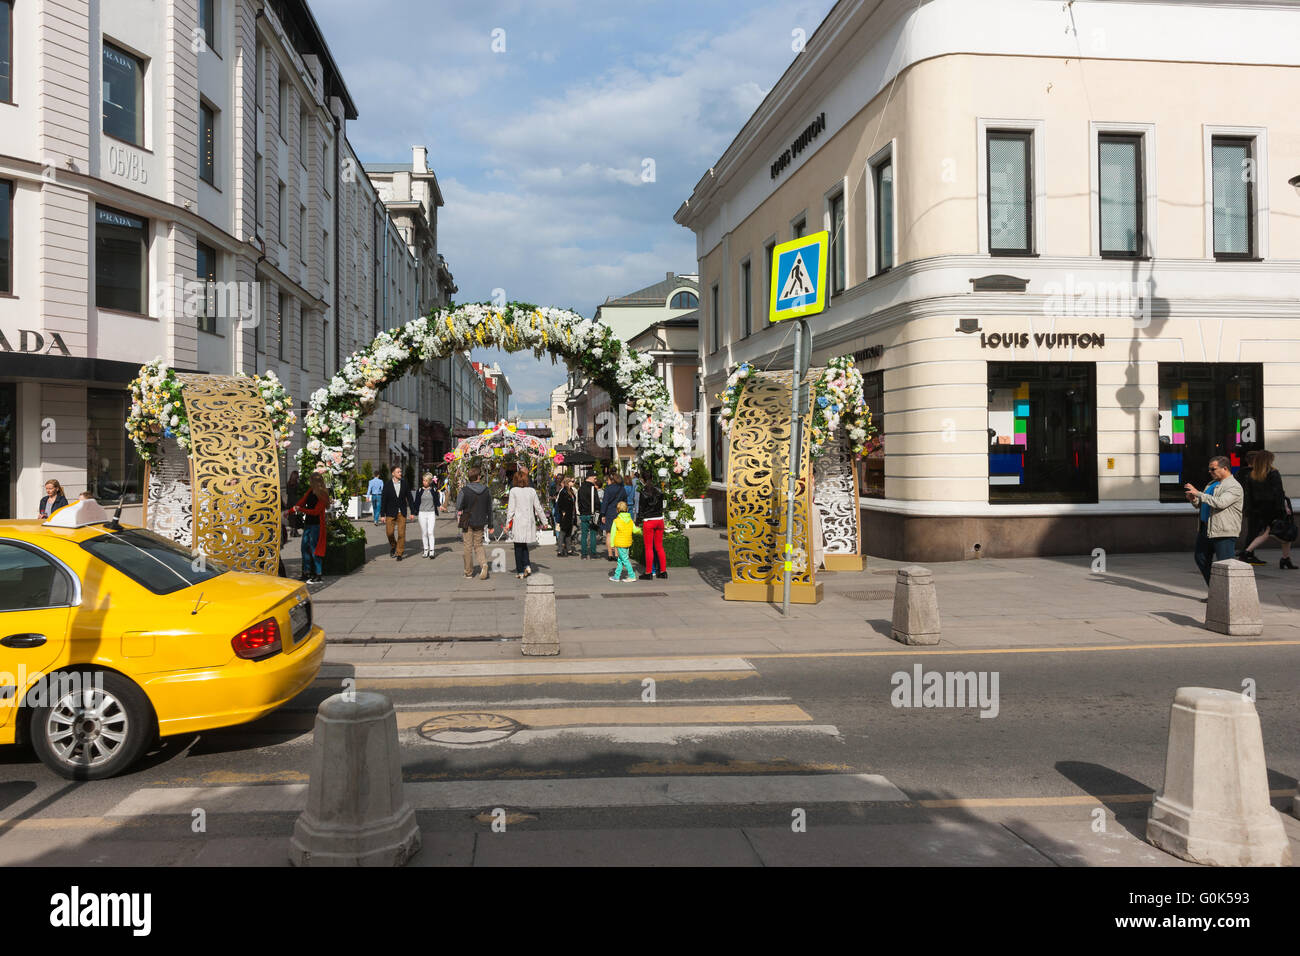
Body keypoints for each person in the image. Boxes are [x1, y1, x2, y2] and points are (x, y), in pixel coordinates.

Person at [1186, 456, 1244, 589]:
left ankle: (1229, 595)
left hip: (1223, 531)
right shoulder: (1212, 484)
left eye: (1213, 469)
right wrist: (1194, 499)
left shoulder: (1234, 486)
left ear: (1225, 468)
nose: (1210, 472)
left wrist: (1199, 494)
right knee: (1201, 558)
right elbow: (1203, 505)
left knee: (1225, 565)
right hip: (1206, 529)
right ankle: (1216, 592)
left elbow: (1221, 503)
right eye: (1209, 469)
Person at [1238, 449, 1294, 569]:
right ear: (1268, 460)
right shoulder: (1273, 473)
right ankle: (1246, 552)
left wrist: (1249, 508)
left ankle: (1285, 559)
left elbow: (1249, 494)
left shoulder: (1252, 475)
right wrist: (1283, 508)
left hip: (1260, 509)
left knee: (1280, 533)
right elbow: (1278, 492)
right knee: (1281, 532)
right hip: (1275, 508)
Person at [287, 472, 330, 584]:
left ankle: (318, 574)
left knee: (314, 549)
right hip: (309, 524)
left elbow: (316, 512)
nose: (309, 482)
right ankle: (307, 572)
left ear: (315, 481)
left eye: (311, 480)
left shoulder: (322, 495)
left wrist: (301, 510)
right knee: (304, 548)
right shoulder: (310, 491)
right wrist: (290, 511)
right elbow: (301, 502)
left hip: (317, 525)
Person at [506, 469, 548, 578]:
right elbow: (538, 507)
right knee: (524, 545)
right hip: (529, 521)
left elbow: (511, 510)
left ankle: (520, 571)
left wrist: (507, 524)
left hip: (519, 521)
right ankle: (527, 565)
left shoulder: (513, 491)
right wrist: (545, 521)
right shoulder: (532, 491)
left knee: (518, 547)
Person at [456, 466, 493, 579]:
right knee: (479, 545)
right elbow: (489, 508)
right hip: (480, 521)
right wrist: (490, 525)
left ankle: (468, 572)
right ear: (478, 477)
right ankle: (484, 564)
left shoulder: (464, 490)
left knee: (467, 546)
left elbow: (459, 506)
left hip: (468, 522)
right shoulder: (486, 490)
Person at [380, 464, 413, 561]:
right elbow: (383, 500)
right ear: (393, 473)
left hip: (401, 512)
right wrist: (382, 515)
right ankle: (393, 545)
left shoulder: (404, 483)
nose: (400, 473)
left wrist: (412, 512)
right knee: (389, 533)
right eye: (398, 472)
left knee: (401, 534)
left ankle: (399, 553)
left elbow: (410, 498)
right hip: (390, 513)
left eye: (401, 472)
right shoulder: (387, 485)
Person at [638, 475, 667, 580]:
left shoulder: (644, 492)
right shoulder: (659, 491)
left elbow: (641, 508)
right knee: (659, 547)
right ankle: (663, 571)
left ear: (644, 480)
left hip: (649, 521)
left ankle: (649, 572)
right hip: (659, 520)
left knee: (649, 548)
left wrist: (638, 520)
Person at [608, 500, 637, 582]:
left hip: (620, 543)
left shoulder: (616, 521)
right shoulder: (630, 520)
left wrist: (612, 544)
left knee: (624, 560)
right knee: (620, 560)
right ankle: (617, 576)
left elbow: (613, 533)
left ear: (617, 510)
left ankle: (632, 575)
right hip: (627, 542)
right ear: (627, 509)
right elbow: (634, 530)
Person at [414, 473, 441, 559]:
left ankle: (432, 550)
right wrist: (413, 512)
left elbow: (436, 501)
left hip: (431, 513)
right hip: (422, 513)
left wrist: (440, 506)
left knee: (430, 532)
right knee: (424, 533)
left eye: (426, 480)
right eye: (423, 480)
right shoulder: (419, 490)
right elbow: (416, 502)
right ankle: (426, 550)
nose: (424, 482)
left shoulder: (433, 490)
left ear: (429, 481)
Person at [577, 472, 602, 560]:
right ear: (590, 477)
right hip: (592, 514)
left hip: (583, 513)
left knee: (584, 534)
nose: (595, 480)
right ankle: (593, 553)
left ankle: (584, 554)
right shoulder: (592, 488)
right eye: (594, 478)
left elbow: (578, 502)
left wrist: (580, 511)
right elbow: (597, 502)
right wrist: (598, 511)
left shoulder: (580, 488)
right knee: (593, 534)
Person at [600, 474, 625, 562]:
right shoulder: (622, 489)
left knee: (609, 534)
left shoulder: (608, 488)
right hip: (619, 512)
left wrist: (603, 514)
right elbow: (624, 501)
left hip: (609, 512)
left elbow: (605, 502)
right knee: (617, 534)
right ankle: (617, 554)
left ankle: (610, 554)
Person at [554, 476, 578, 557]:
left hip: (571, 515)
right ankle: (560, 551)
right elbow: (560, 504)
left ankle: (569, 549)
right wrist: (563, 513)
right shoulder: (563, 492)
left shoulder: (571, 491)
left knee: (568, 533)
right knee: (563, 532)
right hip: (565, 515)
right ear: (568, 482)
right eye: (572, 481)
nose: (573, 482)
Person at [285, 470, 301, 537]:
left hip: (289, 501)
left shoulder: (288, 483)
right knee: (295, 516)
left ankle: (292, 531)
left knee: (291, 517)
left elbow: (287, 492)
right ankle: (295, 531)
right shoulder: (297, 484)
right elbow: (298, 493)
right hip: (295, 501)